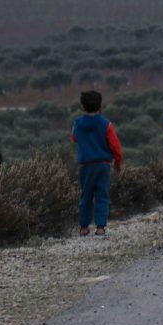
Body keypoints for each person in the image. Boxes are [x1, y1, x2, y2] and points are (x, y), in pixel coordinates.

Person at [71, 90, 122, 237]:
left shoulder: (78, 123)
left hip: (85, 165)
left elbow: (74, 138)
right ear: (100, 106)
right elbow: (115, 146)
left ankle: (84, 227)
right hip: (103, 165)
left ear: (82, 106)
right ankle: (100, 227)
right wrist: (118, 162)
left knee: (85, 195)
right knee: (102, 195)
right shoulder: (106, 124)